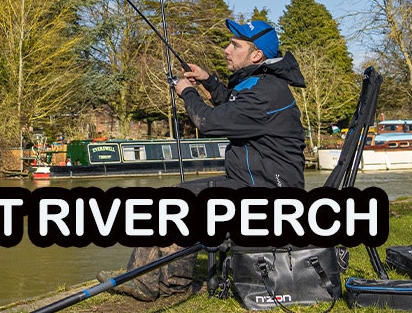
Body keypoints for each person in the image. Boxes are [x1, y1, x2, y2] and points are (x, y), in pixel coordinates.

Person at [101, 18, 306, 302]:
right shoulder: (262, 84)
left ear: (256, 55)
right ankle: (164, 282)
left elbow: (208, 122)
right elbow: (234, 103)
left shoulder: (265, 93)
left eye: (235, 45)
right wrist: (209, 81)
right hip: (251, 183)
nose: (226, 50)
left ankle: (154, 284)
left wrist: (187, 91)